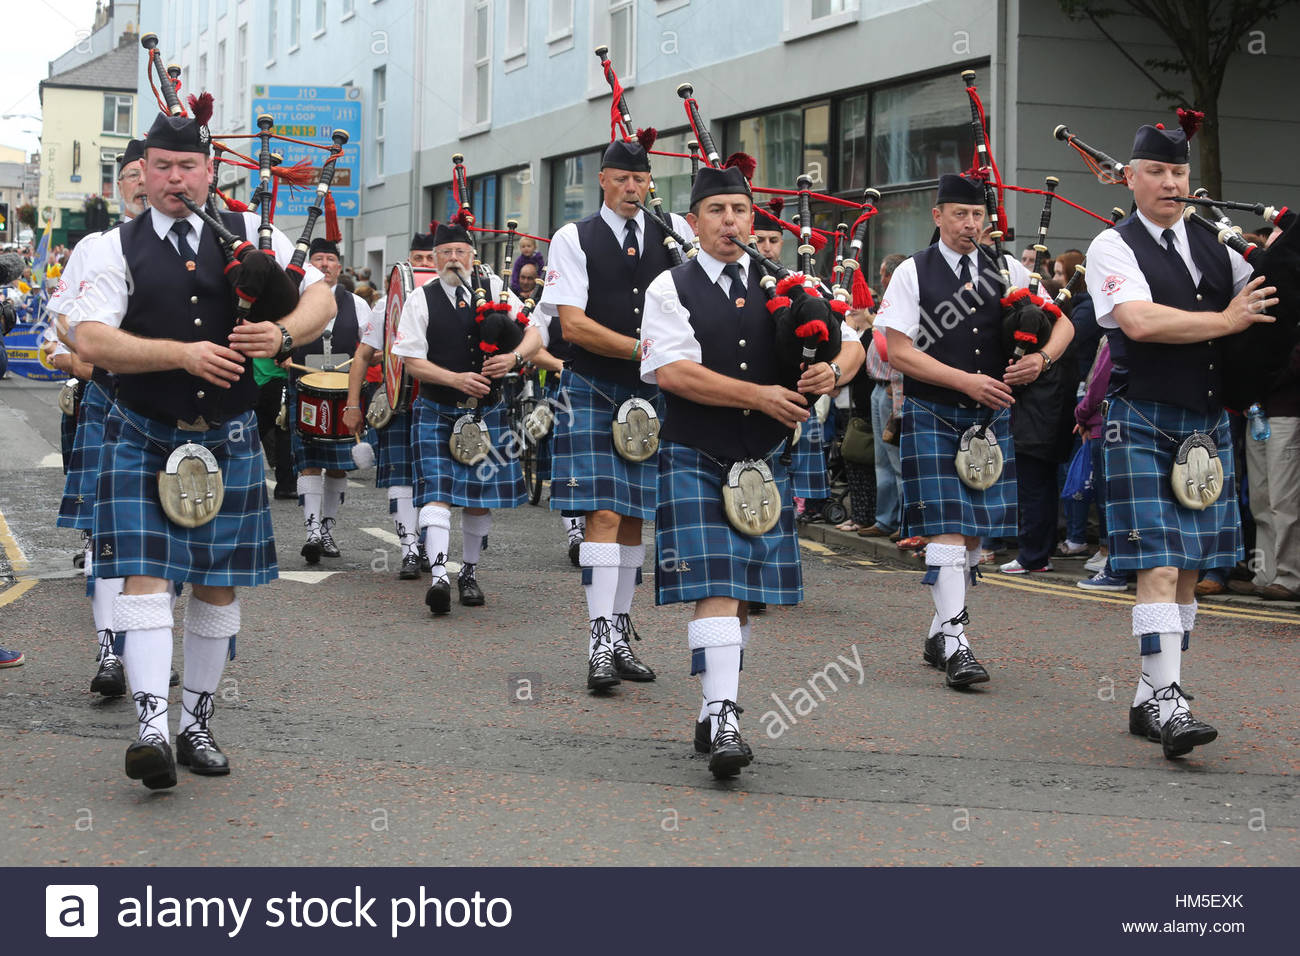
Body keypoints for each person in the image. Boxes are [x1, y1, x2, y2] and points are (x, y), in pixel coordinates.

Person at [71, 109, 335, 789]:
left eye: (187, 167)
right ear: (144, 173)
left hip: (231, 435)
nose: (175, 179)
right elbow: (91, 338)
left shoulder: (252, 234)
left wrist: (281, 335)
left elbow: (322, 300)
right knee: (146, 578)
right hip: (144, 432)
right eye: (161, 167)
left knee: (217, 587)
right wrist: (180, 355)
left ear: (210, 172)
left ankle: (196, 722)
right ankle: (152, 729)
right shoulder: (112, 248)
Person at [640, 163, 841, 777]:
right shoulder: (669, 288)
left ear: (753, 220)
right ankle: (725, 714)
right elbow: (672, 372)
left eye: (741, 211)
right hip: (697, 454)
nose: (731, 222)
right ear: (695, 222)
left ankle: (712, 706)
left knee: (745, 596)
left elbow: (851, 338)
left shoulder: (784, 283)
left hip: (764, 460)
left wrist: (833, 371)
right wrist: (757, 397)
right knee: (720, 586)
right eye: (717, 211)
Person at [1084, 120, 1266, 760]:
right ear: (1129, 178)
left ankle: (1153, 694)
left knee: (1188, 571)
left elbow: (1267, 293)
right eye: (1156, 172)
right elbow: (1138, 320)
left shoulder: (1219, 242)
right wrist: (1224, 320)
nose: (1170, 183)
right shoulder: (1113, 247)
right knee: (1160, 564)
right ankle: (1167, 701)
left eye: (1180, 173)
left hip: (1208, 422)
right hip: (1143, 420)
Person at [876, 172, 1072, 690]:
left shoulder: (1005, 268)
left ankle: (941, 631)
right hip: (934, 412)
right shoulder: (912, 273)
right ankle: (958, 644)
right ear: (937, 216)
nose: (970, 224)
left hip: (988, 420)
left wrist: (1042, 359)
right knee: (946, 528)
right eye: (959, 215)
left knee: (970, 538)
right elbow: (898, 351)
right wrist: (967, 381)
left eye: (978, 215)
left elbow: (1064, 322)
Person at [541, 137, 694, 691]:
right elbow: (574, 326)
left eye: (641, 179)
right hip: (595, 387)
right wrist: (644, 351)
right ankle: (599, 639)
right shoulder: (573, 237)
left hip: (656, 395)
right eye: (622, 179)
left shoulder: (674, 233)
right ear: (603, 180)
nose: (633, 188)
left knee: (635, 518)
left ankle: (621, 633)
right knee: (604, 515)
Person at [392, 217, 527, 616]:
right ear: (434, 260)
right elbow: (410, 360)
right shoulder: (421, 298)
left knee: (479, 499)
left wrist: (514, 357)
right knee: (437, 491)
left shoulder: (498, 291)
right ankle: (438, 576)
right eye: (446, 253)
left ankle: (468, 572)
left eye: (460, 252)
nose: (454, 258)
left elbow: (536, 332)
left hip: (488, 411)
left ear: (472, 256)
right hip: (437, 407)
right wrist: (454, 378)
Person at [52, 139, 147, 697]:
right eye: (131, 173)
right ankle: (111, 651)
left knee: (164, 541)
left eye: (150, 172)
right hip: (111, 401)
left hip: (178, 409)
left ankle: (142, 642)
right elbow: (59, 329)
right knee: (109, 536)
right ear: (120, 186)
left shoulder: (198, 244)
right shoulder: (95, 245)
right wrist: (92, 357)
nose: (141, 182)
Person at [343, 229, 439, 579]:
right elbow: (362, 356)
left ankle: (431, 546)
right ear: (409, 264)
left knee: (434, 479)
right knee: (403, 475)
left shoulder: (457, 298)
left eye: (431, 258)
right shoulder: (389, 303)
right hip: (400, 400)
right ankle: (410, 551)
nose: (426, 264)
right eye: (419, 259)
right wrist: (353, 405)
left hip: (440, 401)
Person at [289, 238, 371, 564]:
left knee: (337, 466)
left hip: (345, 392)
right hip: (304, 389)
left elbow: (370, 346)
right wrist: (281, 354)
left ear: (339, 266)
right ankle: (310, 532)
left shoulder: (358, 304)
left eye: (330, 260)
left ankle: (327, 530)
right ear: (309, 266)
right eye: (318, 259)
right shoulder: (295, 301)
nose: (324, 265)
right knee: (308, 460)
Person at [1237, 221, 1300, 601]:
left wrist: (1256, 384)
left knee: (1283, 498)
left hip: (1284, 409)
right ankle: (1266, 573)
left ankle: (1290, 576)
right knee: (1261, 497)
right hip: (1257, 408)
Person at [856, 253, 907, 539]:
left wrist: (896, 385)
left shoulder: (903, 302)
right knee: (882, 459)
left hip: (892, 387)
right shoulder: (889, 302)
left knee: (897, 459)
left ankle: (904, 522)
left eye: (883, 273)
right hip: (879, 386)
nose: (881, 279)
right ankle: (885, 519)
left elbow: (900, 348)